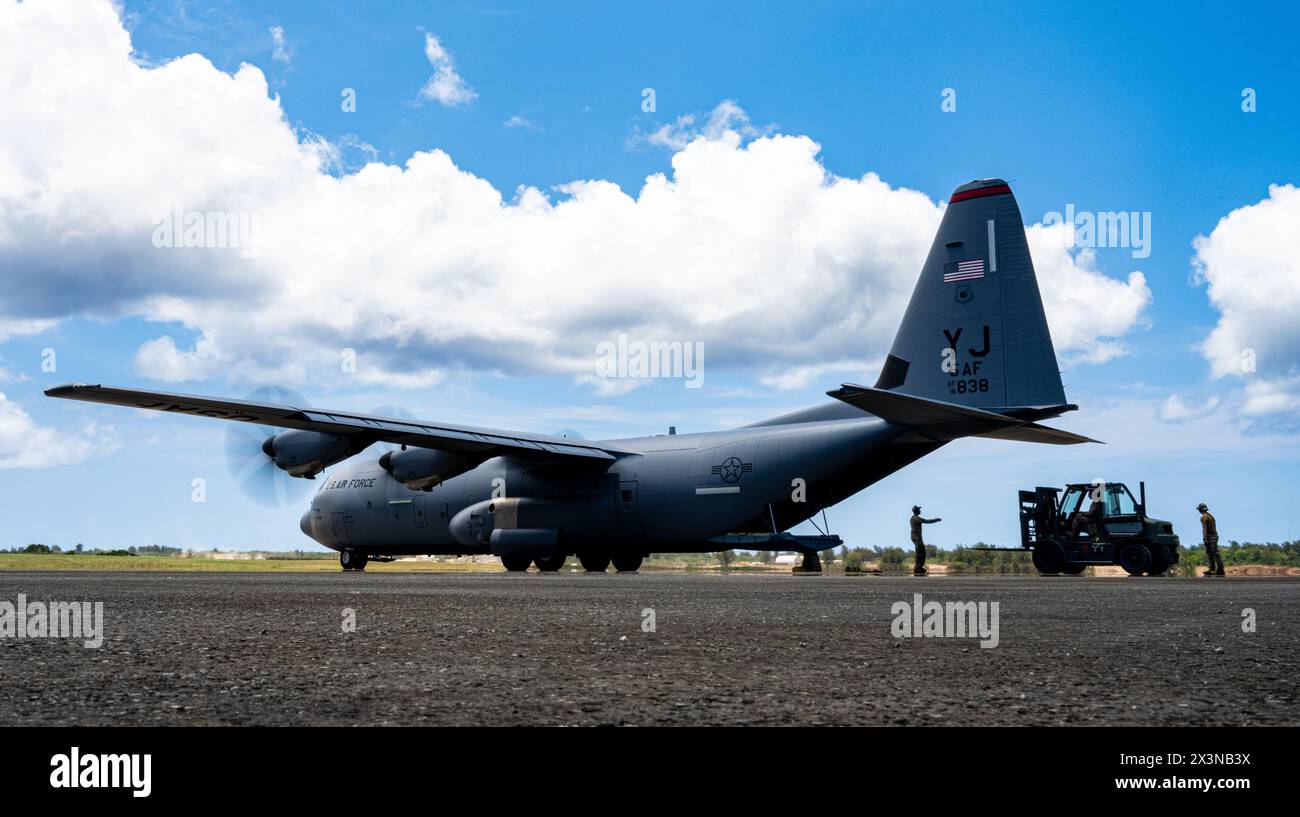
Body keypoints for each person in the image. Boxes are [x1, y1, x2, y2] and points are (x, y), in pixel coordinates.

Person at [910, 506, 940, 575]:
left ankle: (918, 567)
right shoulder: (916, 518)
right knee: (920, 552)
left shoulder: (913, 518)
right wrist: (936, 520)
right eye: (919, 510)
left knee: (921, 552)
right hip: (916, 537)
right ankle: (917, 567)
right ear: (916, 511)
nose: (920, 511)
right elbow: (926, 521)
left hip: (916, 536)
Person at [1199, 502, 1224, 577]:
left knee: (1214, 553)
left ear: (1200, 510)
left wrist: (1205, 538)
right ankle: (1212, 569)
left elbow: (1204, 528)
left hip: (1211, 537)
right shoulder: (1210, 516)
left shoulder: (1204, 517)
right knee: (1210, 553)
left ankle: (1220, 570)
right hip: (1214, 536)